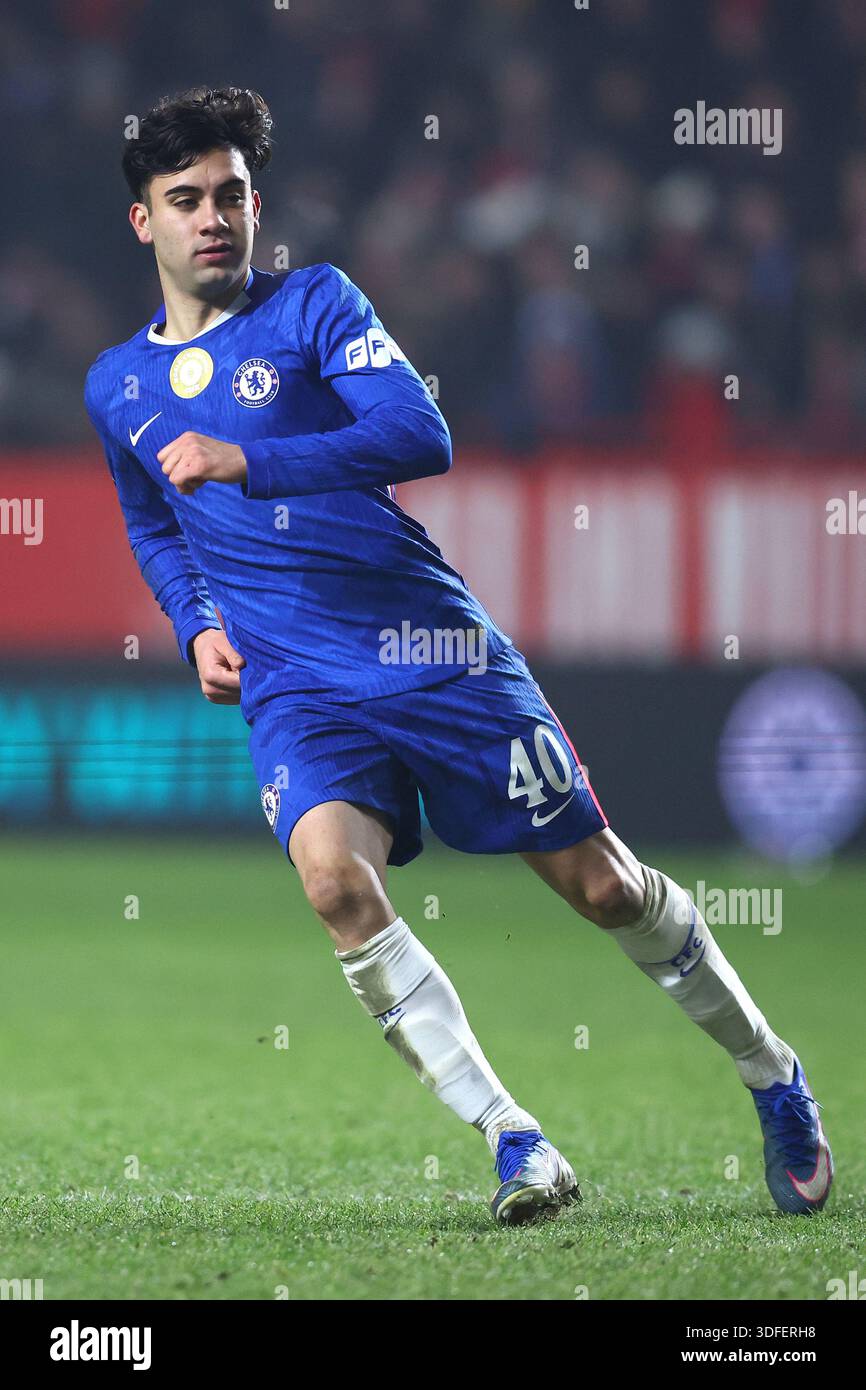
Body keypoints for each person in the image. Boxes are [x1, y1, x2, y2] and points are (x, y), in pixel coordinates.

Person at [84, 86, 832, 1225]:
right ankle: (515, 1140)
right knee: (335, 883)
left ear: (254, 199)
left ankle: (770, 1072)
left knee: (603, 887)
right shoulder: (115, 384)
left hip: (426, 651)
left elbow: (416, 431)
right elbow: (149, 516)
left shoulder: (314, 306)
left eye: (230, 193)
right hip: (295, 684)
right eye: (184, 200)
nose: (213, 218)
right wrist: (194, 621)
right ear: (145, 222)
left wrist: (248, 461)